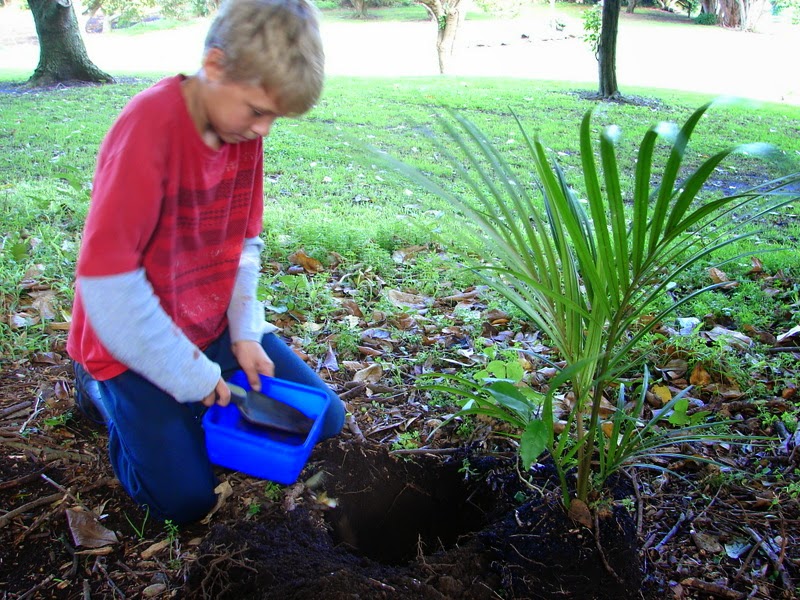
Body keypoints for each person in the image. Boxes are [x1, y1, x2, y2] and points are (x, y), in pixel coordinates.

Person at [67, 0, 345, 524]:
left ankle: (181, 399)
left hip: (210, 324)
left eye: (275, 118)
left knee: (325, 418)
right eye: (258, 111)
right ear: (214, 66)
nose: (264, 130)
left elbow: (245, 245)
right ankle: (101, 395)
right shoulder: (148, 129)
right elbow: (109, 286)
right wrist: (190, 376)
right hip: (130, 341)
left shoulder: (241, 133)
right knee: (186, 501)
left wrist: (243, 333)